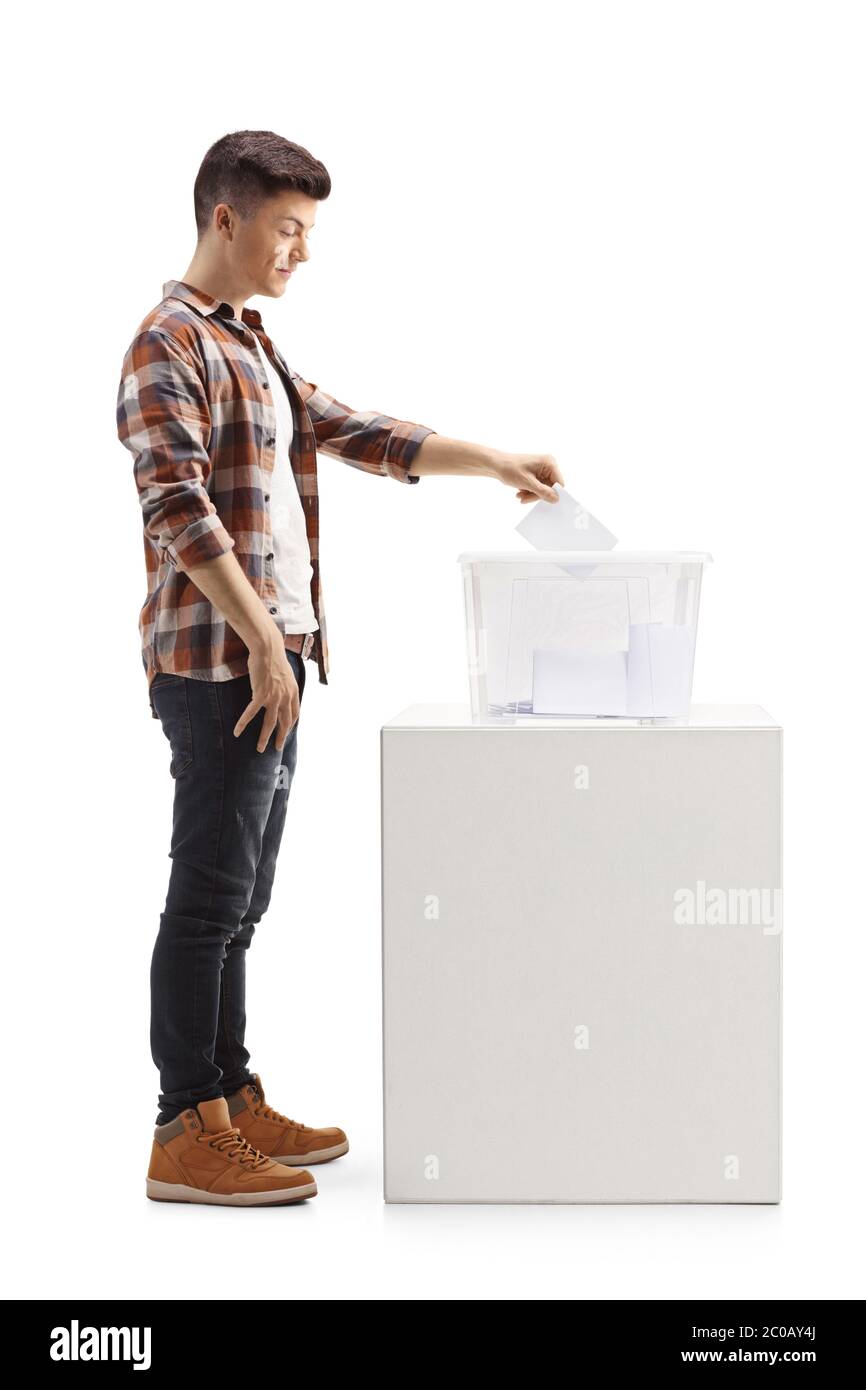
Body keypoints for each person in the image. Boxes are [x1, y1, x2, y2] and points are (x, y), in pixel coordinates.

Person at [116, 128, 564, 1208]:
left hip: (276, 664)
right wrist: (264, 641)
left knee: (244, 895)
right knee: (208, 895)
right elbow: (175, 508)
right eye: (288, 228)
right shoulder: (164, 343)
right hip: (223, 666)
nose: (300, 251)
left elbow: (349, 427)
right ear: (225, 218)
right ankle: (184, 1128)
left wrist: (490, 459)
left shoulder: (251, 346)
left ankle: (227, 1093)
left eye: (307, 232)